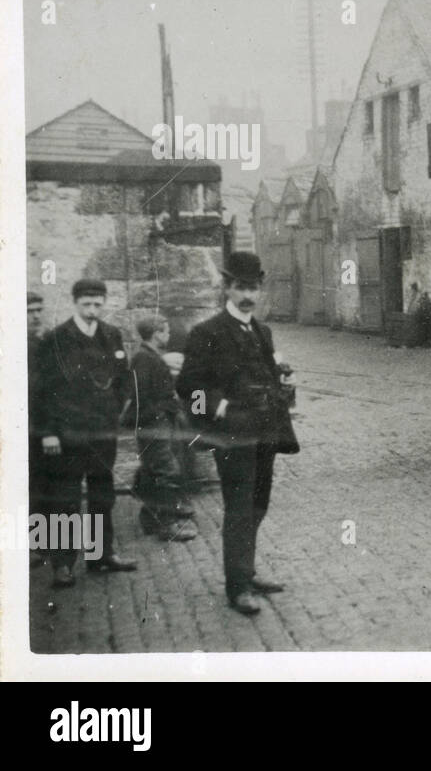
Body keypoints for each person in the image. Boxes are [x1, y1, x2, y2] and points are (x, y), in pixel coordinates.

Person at [177, 252, 298, 616]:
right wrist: (220, 410)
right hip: (231, 438)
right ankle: (238, 587)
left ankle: (246, 570)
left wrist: (281, 381)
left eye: (253, 288)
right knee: (239, 509)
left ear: (259, 290)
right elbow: (189, 387)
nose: (247, 295)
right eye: (240, 287)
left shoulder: (263, 331)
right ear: (227, 288)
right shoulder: (207, 333)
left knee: (258, 505)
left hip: (265, 434)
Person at [35, 279, 138, 587]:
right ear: (75, 303)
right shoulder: (57, 338)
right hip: (67, 434)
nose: (93, 310)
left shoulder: (111, 335)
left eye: (97, 303)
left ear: (104, 303)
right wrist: (49, 433)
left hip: (101, 433)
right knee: (65, 498)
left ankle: (100, 555)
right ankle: (62, 565)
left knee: (101, 495)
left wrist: (113, 411)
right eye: (86, 304)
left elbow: (121, 380)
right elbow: (42, 392)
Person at [127, 314, 197, 543]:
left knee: (153, 469)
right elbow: (142, 396)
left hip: (160, 420)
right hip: (153, 423)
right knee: (166, 470)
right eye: (165, 331)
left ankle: (149, 516)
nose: (168, 335)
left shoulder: (150, 356)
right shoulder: (144, 359)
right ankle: (167, 524)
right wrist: (164, 409)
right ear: (156, 333)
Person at [28, 292, 49, 567]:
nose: (36, 316)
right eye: (30, 311)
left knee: (40, 485)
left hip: (39, 427)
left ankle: (37, 542)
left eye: (39, 310)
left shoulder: (42, 344)